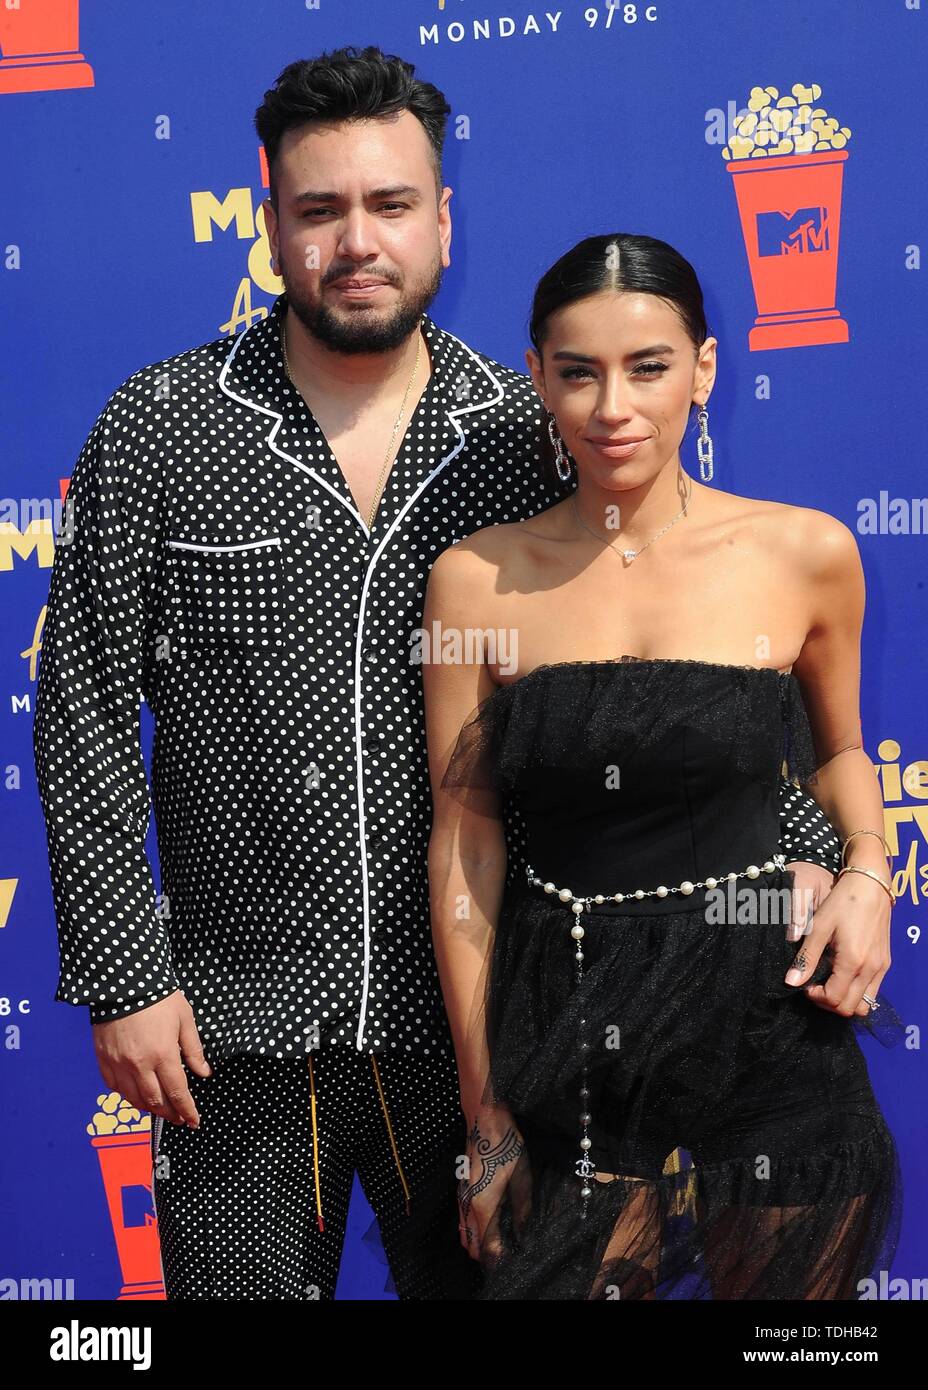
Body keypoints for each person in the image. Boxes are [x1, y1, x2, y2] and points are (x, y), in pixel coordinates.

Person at [32, 45, 847, 1301]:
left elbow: (659, 676)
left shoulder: (524, 437)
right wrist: (124, 974)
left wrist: (805, 848)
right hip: (236, 1028)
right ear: (271, 224)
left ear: (443, 219)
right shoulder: (161, 426)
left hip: (487, 1028)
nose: (356, 241)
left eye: (390, 204)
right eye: (320, 210)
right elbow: (78, 708)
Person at [423, 232, 905, 1300]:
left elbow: (837, 750)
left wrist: (872, 871)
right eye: (577, 370)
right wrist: (485, 1105)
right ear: (537, 374)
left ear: (706, 369)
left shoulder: (805, 551)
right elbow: (465, 844)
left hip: (764, 1005)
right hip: (569, 1024)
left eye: (647, 366)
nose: (612, 407)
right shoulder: (473, 581)